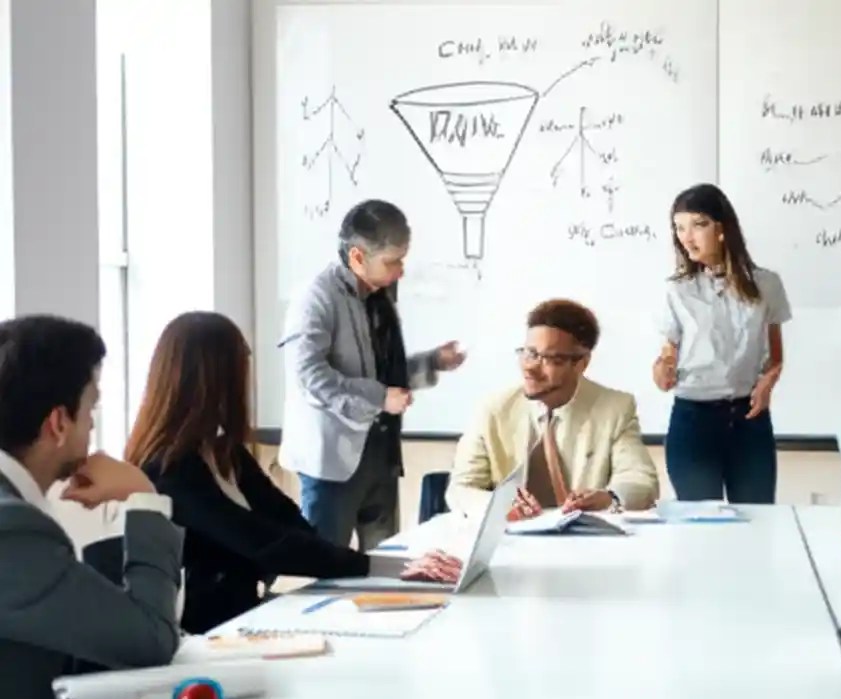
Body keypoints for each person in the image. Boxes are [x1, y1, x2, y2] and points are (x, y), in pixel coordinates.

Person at [127, 312, 461, 634]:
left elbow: (289, 523)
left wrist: (396, 568)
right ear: (214, 380)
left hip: (247, 617)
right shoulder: (169, 469)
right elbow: (263, 542)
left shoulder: (223, 451)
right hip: (204, 636)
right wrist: (389, 568)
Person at [0, 315, 182, 699]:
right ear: (59, 423)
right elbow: (149, 642)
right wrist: (145, 497)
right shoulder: (12, 530)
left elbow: (94, 631)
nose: (94, 424)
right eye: (91, 408)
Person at [279, 199, 466, 550]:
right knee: (326, 569)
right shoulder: (315, 298)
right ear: (357, 257)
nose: (401, 271)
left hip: (382, 454)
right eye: (392, 261)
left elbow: (383, 373)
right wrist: (379, 398)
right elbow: (310, 376)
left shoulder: (378, 297)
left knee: (384, 566)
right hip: (332, 463)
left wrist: (432, 362)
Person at [449, 299, 659, 519]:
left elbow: (641, 480)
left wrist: (610, 498)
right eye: (529, 353)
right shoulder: (494, 409)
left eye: (548, 358)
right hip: (511, 541)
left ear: (581, 363)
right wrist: (499, 506)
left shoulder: (615, 408)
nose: (530, 367)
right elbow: (461, 488)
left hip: (587, 542)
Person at [652, 183, 792, 504]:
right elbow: (666, 361)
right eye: (679, 228)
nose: (687, 237)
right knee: (702, 532)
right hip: (693, 419)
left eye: (698, 225)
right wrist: (663, 370)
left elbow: (775, 357)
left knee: (758, 522)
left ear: (722, 228)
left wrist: (768, 382)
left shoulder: (766, 284)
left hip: (749, 422)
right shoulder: (676, 290)